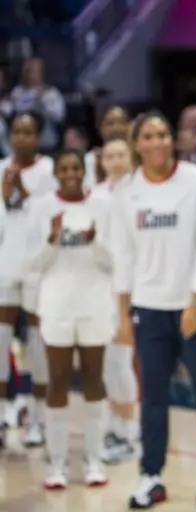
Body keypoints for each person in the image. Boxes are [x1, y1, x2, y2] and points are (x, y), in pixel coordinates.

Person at [110, 111, 196, 509]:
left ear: (171, 140)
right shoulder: (126, 190)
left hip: (194, 307)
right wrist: (122, 315)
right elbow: (123, 256)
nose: (157, 141)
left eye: (162, 134)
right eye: (148, 135)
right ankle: (151, 476)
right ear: (137, 144)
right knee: (151, 397)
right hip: (148, 310)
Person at [27, 149, 114, 489]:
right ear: (56, 173)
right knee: (58, 380)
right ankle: (58, 465)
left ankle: (95, 461)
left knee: (95, 379)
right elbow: (34, 263)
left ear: (85, 170)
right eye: (63, 168)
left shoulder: (103, 204)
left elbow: (113, 262)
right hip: (56, 306)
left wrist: (94, 243)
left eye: (75, 167)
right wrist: (51, 239)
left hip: (94, 304)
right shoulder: (42, 207)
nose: (70, 173)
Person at [0, 111, 57, 449]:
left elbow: (50, 221)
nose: (21, 138)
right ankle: (5, 413)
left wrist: (24, 192)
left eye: (28, 132)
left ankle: (38, 418)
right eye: (16, 131)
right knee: (1, 341)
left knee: (37, 345)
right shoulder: (0, 169)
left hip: (39, 268)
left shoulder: (50, 172)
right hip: (6, 265)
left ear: (38, 137)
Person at [94, 135, 139, 463]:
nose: (116, 161)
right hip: (97, 291)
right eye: (110, 156)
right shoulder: (94, 195)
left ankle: (130, 434)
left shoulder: (138, 193)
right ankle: (113, 429)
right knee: (105, 366)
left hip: (130, 291)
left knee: (121, 365)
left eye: (121, 155)